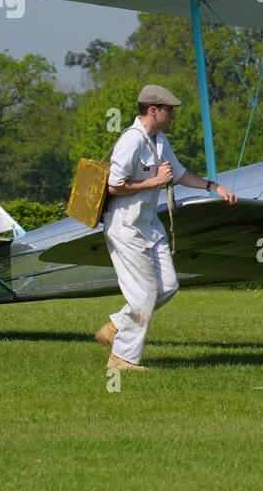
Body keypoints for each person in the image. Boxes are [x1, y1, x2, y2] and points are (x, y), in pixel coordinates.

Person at [95, 85, 236, 371]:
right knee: (144, 295)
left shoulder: (159, 141)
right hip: (125, 227)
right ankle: (122, 360)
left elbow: (181, 174)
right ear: (152, 110)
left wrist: (214, 187)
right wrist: (155, 182)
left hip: (149, 225)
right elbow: (113, 186)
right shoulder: (131, 141)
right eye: (169, 110)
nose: (172, 115)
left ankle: (115, 329)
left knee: (169, 285)